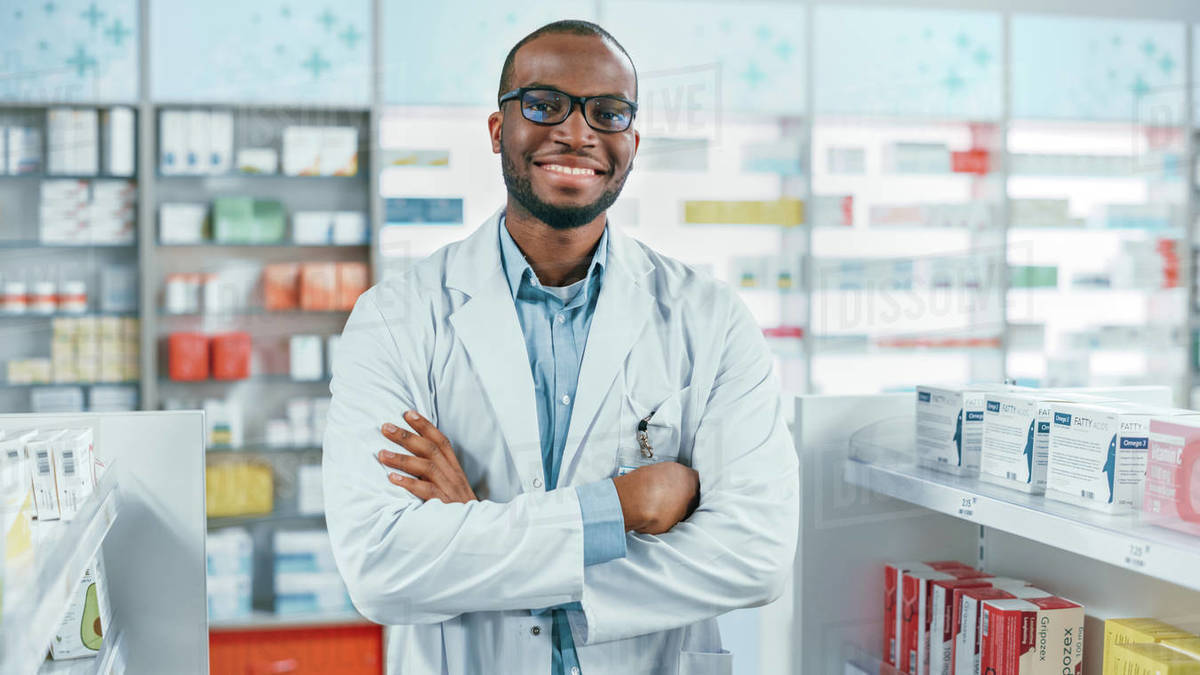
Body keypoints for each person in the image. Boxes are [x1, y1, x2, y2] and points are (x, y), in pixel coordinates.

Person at [323, 19, 799, 675]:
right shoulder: (397, 317)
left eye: (608, 113)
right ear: (499, 130)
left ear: (632, 142)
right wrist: (620, 508)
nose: (577, 132)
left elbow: (755, 556)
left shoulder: (711, 319)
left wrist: (477, 530)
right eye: (545, 104)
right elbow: (379, 566)